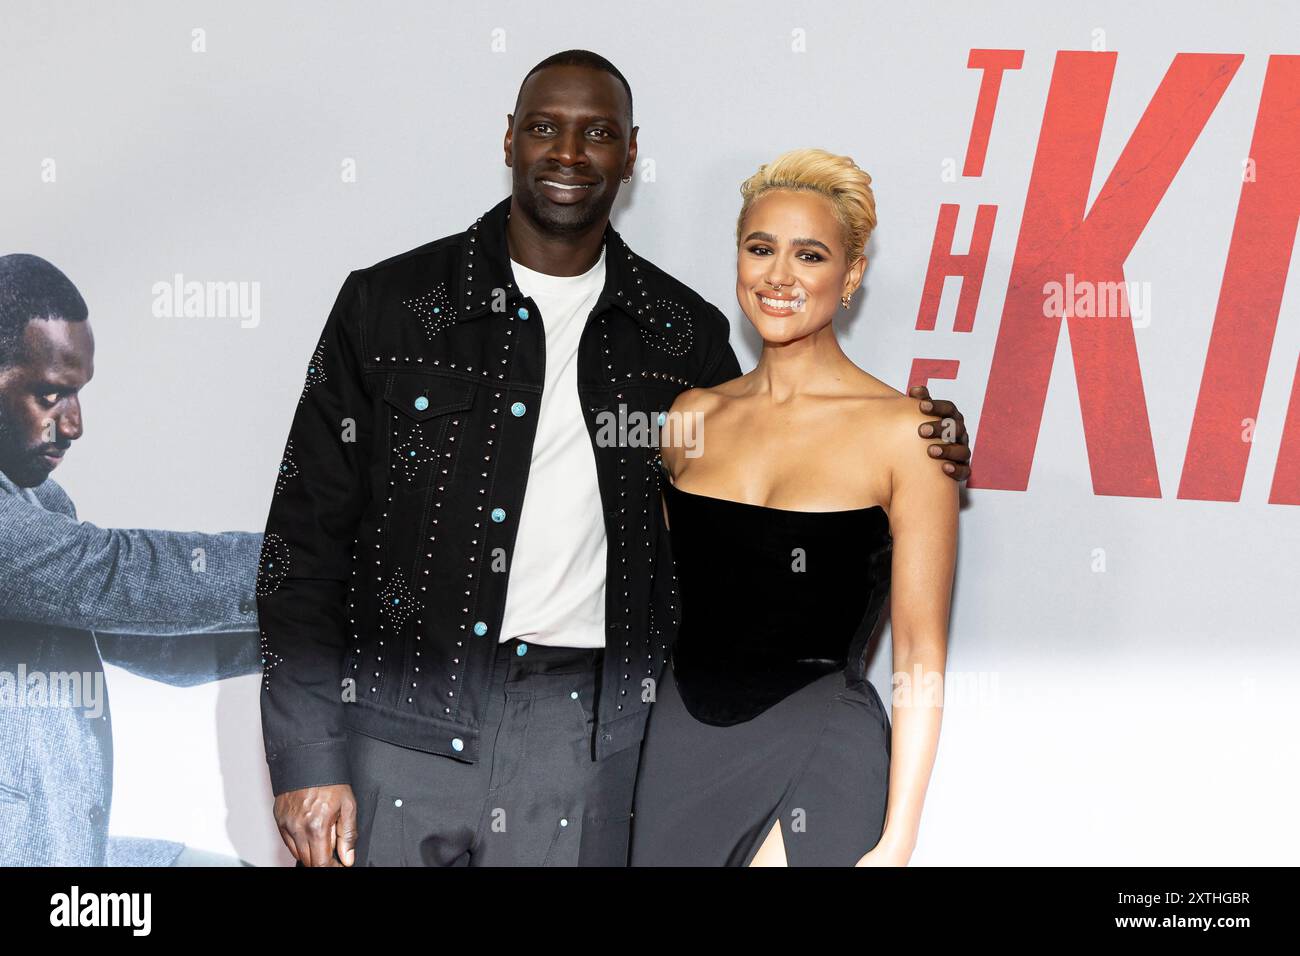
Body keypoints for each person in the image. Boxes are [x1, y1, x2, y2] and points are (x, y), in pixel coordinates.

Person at [260, 51, 970, 867]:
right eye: (543, 128)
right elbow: (300, 550)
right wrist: (306, 755)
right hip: (398, 727)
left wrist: (925, 437)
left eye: (598, 133)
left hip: (590, 748)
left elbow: (785, 475)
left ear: (630, 154)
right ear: (508, 140)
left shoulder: (681, 337)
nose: (568, 153)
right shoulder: (386, 309)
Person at [628, 149, 958, 866]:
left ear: (851, 277)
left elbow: (921, 650)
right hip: (677, 751)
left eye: (809, 255)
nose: (779, 277)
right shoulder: (690, 419)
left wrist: (900, 836)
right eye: (760, 249)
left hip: (820, 749)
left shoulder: (909, 434)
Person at [0, 253, 261, 866]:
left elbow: (140, 637)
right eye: (50, 394)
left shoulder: (35, 497)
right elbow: (117, 574)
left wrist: (311, 624)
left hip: (66, 853)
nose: (75, 424)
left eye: (78, 394)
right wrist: (315, 562)